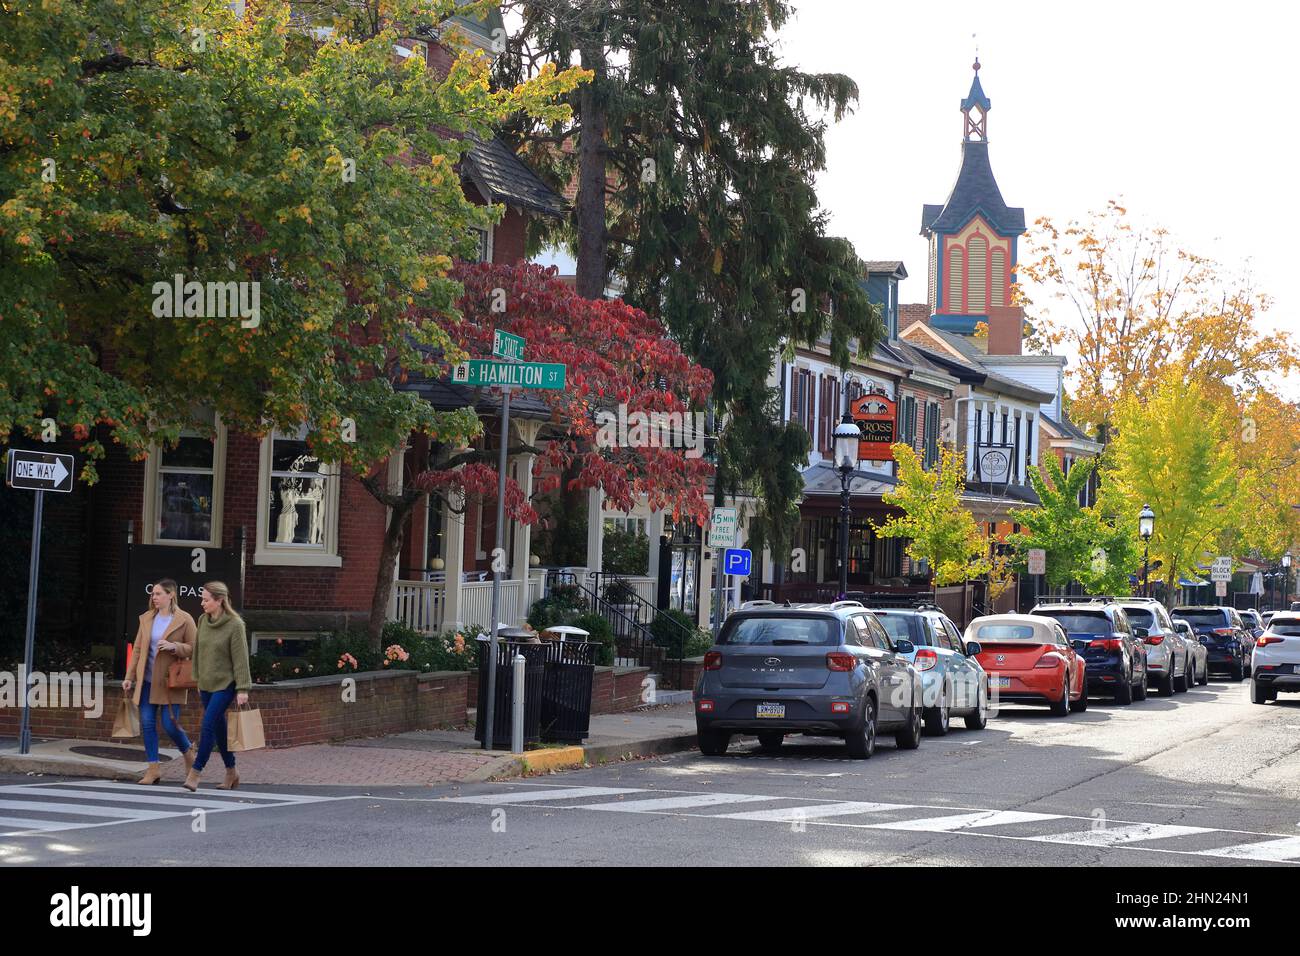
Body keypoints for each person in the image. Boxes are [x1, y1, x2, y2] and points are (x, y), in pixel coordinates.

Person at [122, 580, 196, 785]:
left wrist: (174, 647)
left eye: (158, 594)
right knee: (147, 724)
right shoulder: (147, 618)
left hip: (169, 682)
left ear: (170, 594)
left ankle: (188, 751)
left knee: (169, 725)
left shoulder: (184, 619)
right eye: (153, 594)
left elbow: (194, 647)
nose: (153, 597)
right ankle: (153, 769)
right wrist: (129, 677)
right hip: (146, 682)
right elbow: (137, 650)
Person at [184, 580, 252, 792]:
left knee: (208, 724)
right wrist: (197, 678)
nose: (202, 603)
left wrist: (242, 688)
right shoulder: (203, 620)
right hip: (206, 683)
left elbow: (241, 659)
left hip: (226, 684)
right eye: (202, 599)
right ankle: (231, 772)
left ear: (219, 600)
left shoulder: (235, 625)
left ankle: (195, 772)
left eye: (206, 599)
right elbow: (198, 652)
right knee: (219, 729)